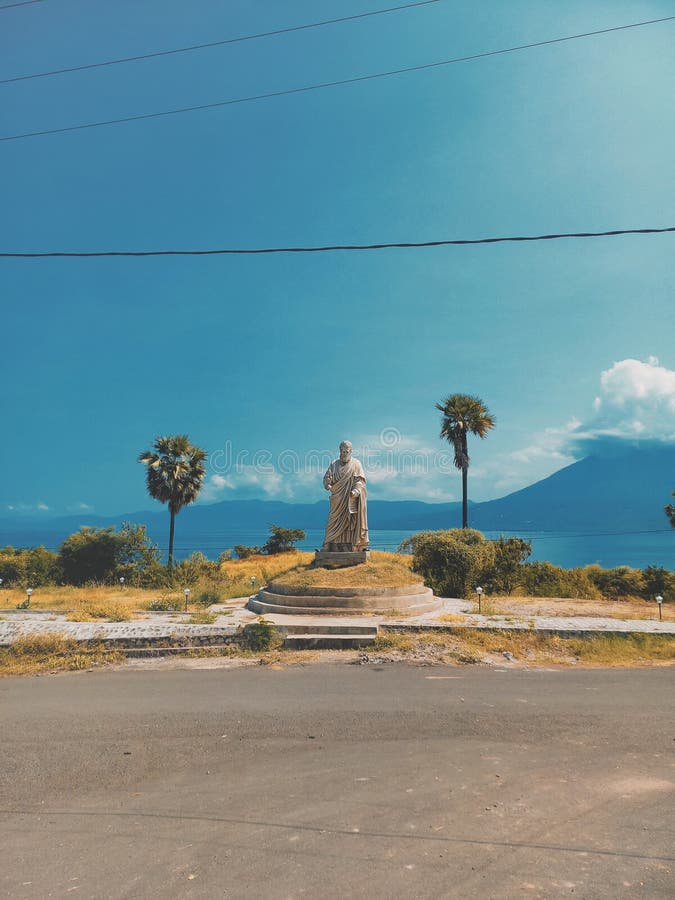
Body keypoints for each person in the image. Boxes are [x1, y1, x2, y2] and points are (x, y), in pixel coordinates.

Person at [321, 440, 369, 552]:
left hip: (350, 499)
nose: (344, 453)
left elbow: (360, 481)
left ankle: (352, 545)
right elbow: (326, 479)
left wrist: (356, 491)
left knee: (350, 523)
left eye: (346, 451)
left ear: (351, 451)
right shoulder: (334, 464)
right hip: (337, 499)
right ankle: (328, 544)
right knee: (332, 521)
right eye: (342, 451)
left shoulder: (356, 464)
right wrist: (327, 484)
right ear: (340, 451)